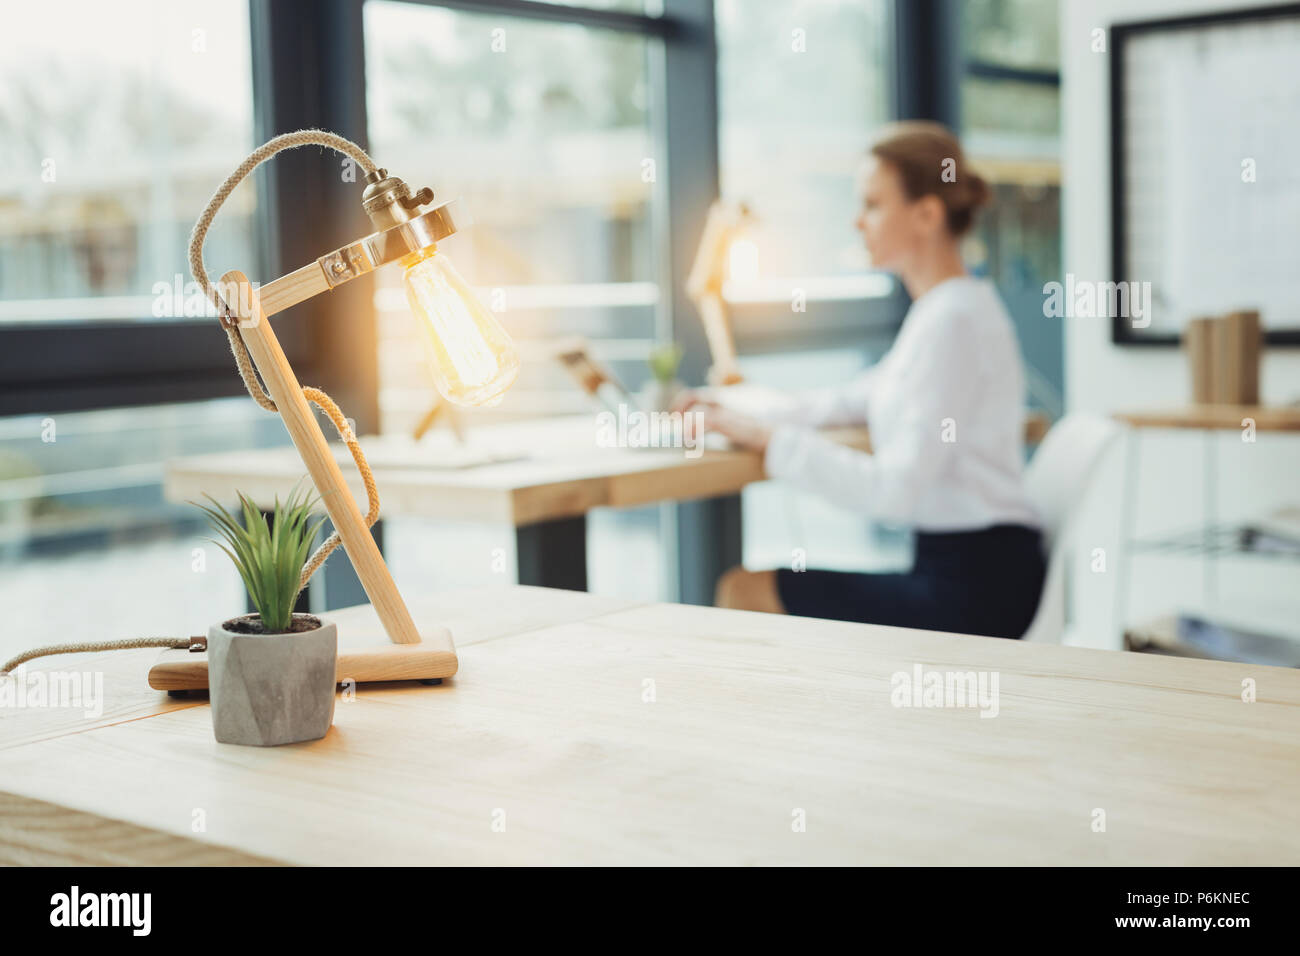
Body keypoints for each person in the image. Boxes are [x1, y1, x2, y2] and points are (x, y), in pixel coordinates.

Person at [676, 121, 1045, 639]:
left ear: (926, 214)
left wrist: (766, 437)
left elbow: (893, 492)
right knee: (751, 590)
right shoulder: (945, 311)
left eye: (872, 205)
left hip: (974, 589)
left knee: (744, 592)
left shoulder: (953, 321)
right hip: (971, 567)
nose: (857, 222)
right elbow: (847, 401)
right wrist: (735, 409)